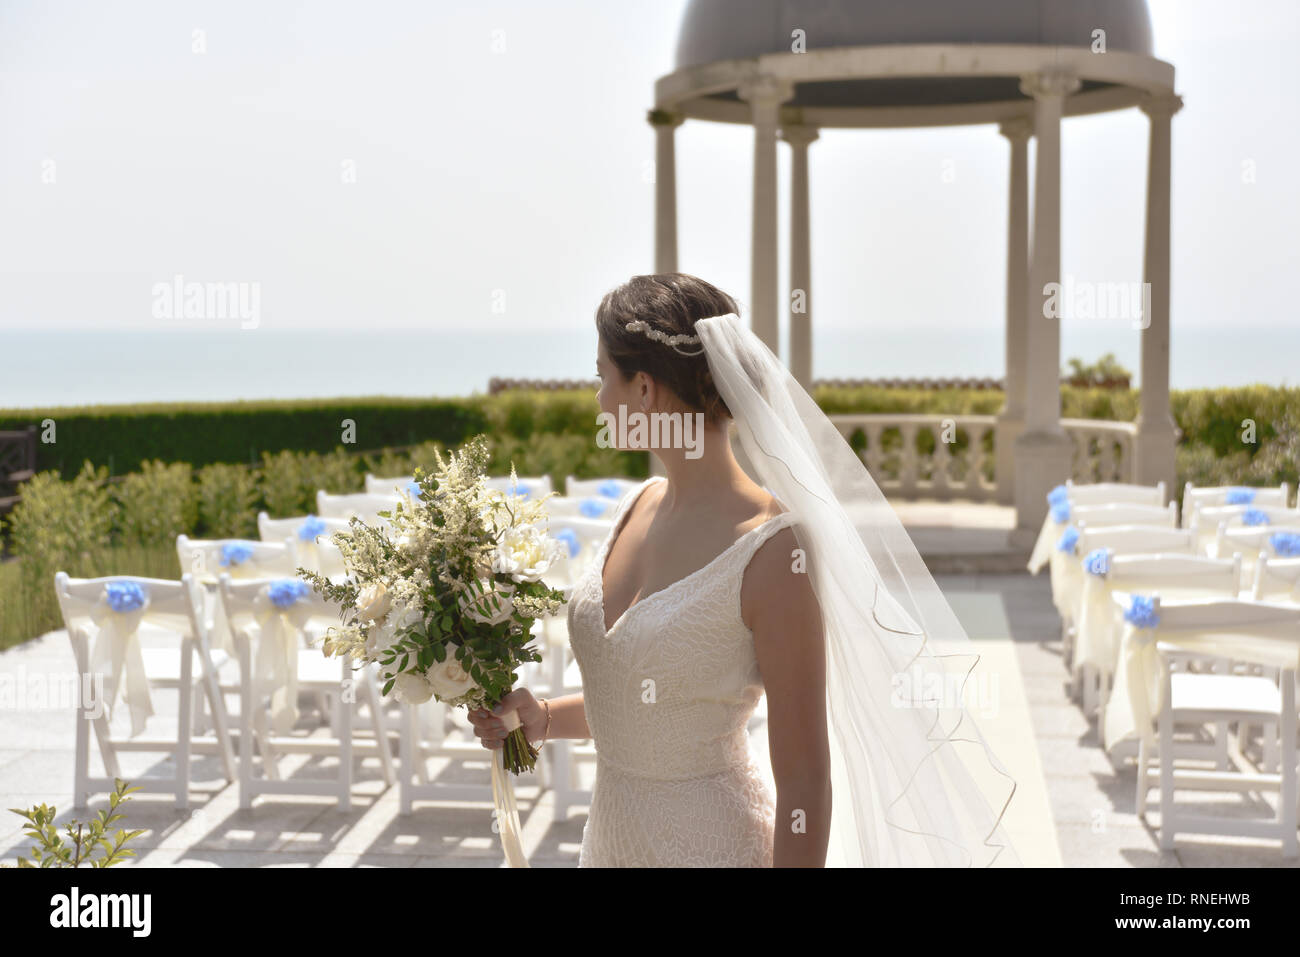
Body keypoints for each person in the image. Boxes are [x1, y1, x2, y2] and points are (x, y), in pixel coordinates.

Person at [468, 273, 1020, 867]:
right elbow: (641, 705)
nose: (599, 399)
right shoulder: (638, 505)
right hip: (609, 845)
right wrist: (544, 718)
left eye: (603, 376)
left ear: (646, 389)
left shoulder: (775, 553)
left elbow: (807, 784)